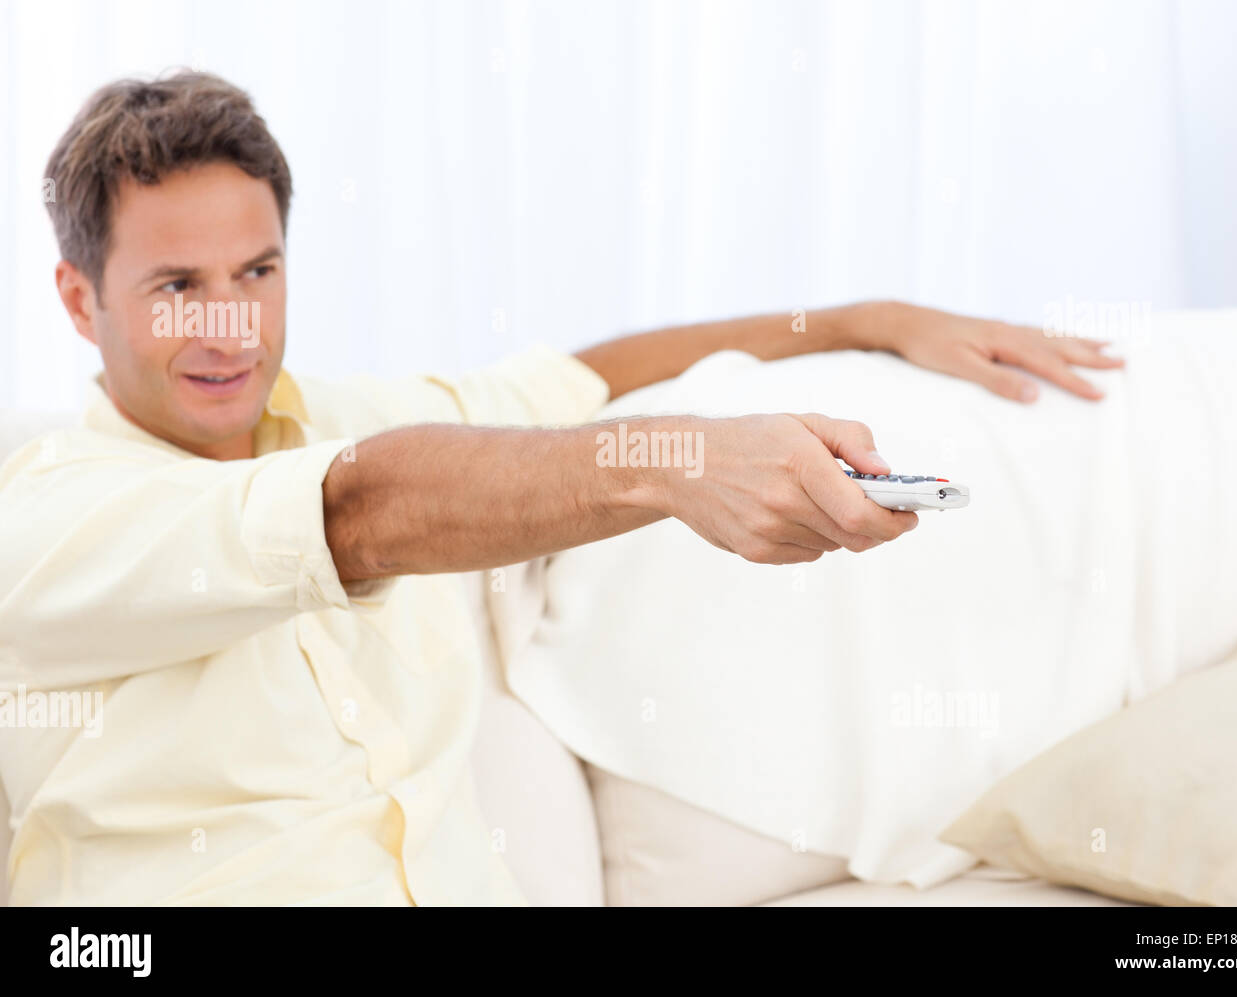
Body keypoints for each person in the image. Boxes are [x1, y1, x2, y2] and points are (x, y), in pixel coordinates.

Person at [0, 70, 1121, 905]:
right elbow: (360, 509)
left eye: (257, 271)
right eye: (176, 287)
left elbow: (588, 374)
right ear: (77, 296)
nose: (230, 327)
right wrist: (680, 463)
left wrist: (864, 320)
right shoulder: (47, 518)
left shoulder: (345, 414)